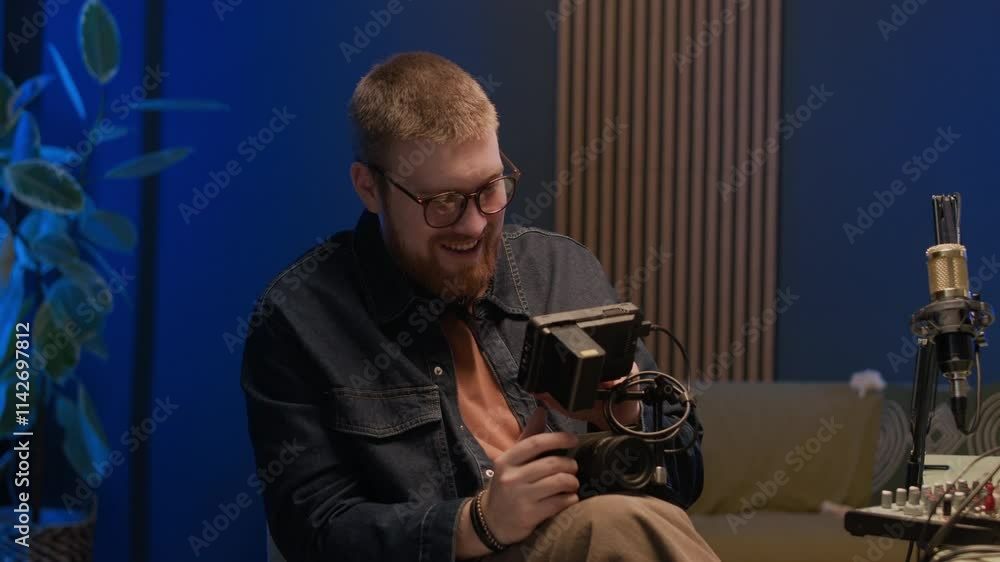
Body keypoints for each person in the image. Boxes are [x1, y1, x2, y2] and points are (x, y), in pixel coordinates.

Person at [240, 51, 719, 562]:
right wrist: (479, 523)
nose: (472, 225)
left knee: (630, 521)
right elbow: (314, 532)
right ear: (369, 188)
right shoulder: (300, 317)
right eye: (441, 202)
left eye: (490, 188)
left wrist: (624, 415)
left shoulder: (560, 270)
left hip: (604, 542)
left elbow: (681, 485)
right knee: (616, 523)